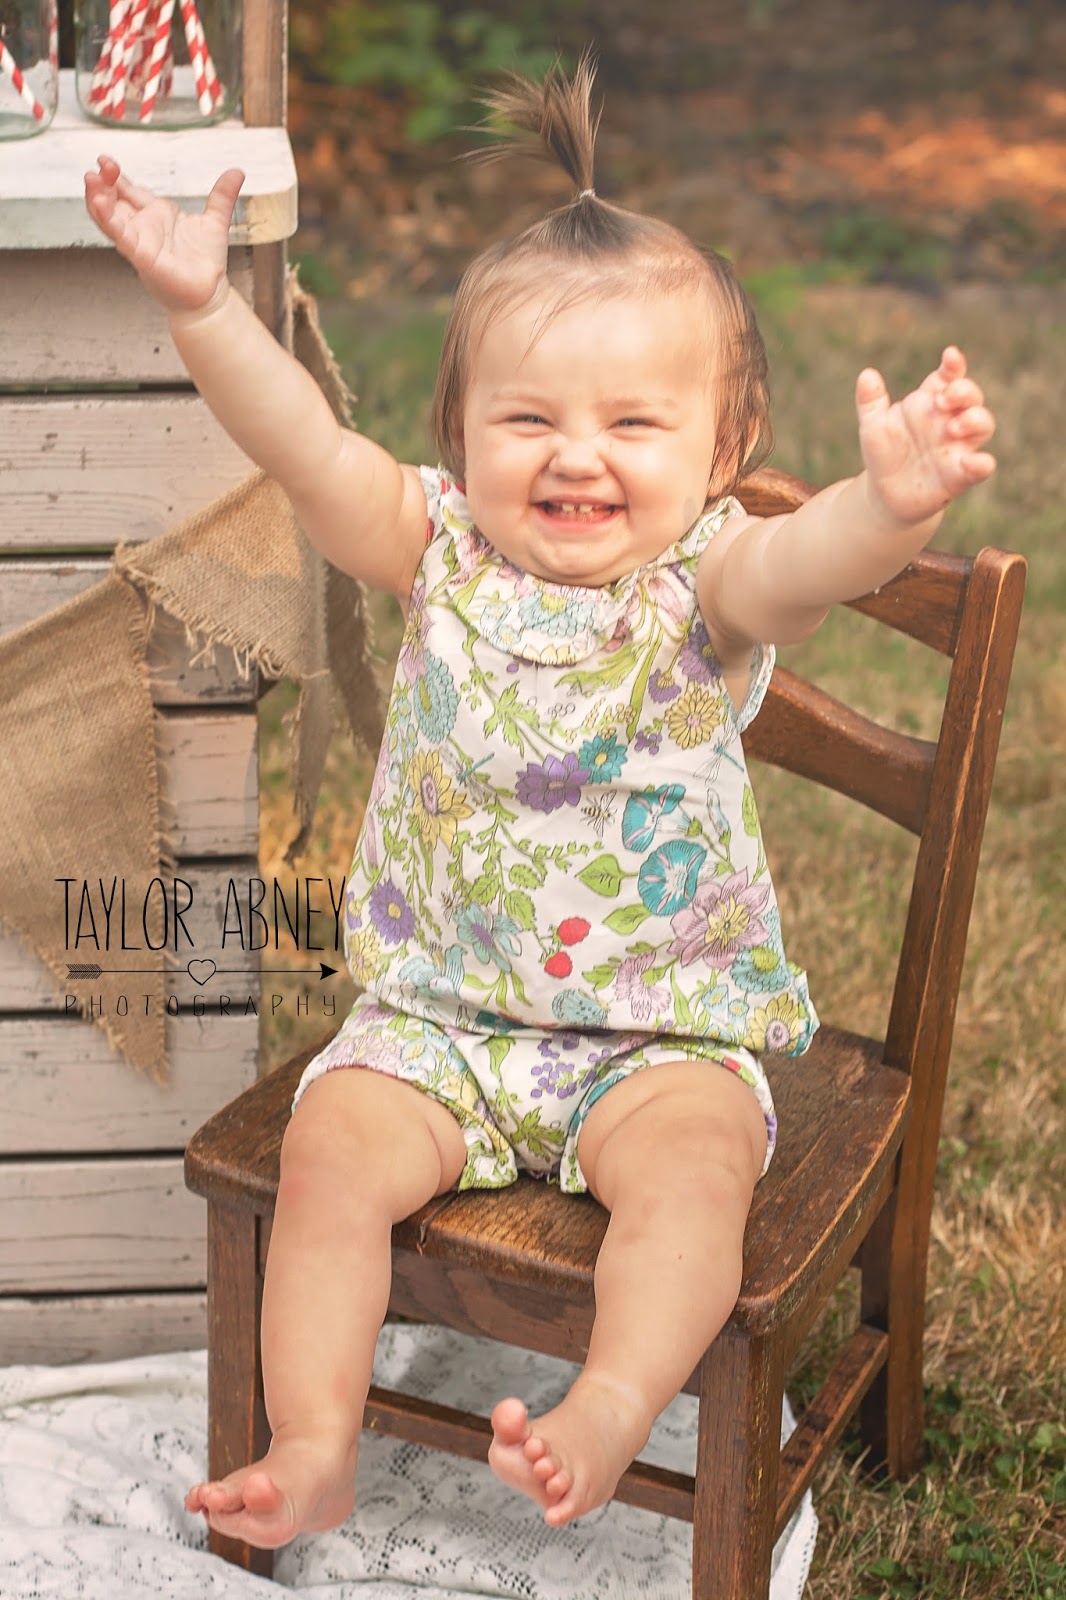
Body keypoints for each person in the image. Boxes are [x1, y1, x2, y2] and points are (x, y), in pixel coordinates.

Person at [85, 54, 995, 1551]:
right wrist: (205, 311)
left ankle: (612, 1402)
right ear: (461, 436)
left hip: (661, 1032)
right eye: (529, 421)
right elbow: (302, 444)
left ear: (719, 454)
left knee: (693, 1179)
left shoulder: (705, 587)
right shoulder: (429, 547)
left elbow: (801, 561)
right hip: (443, 1018)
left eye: (634, 425)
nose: (576, 453)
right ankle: (315, 1442)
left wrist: (886, 510)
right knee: (327, 1165)